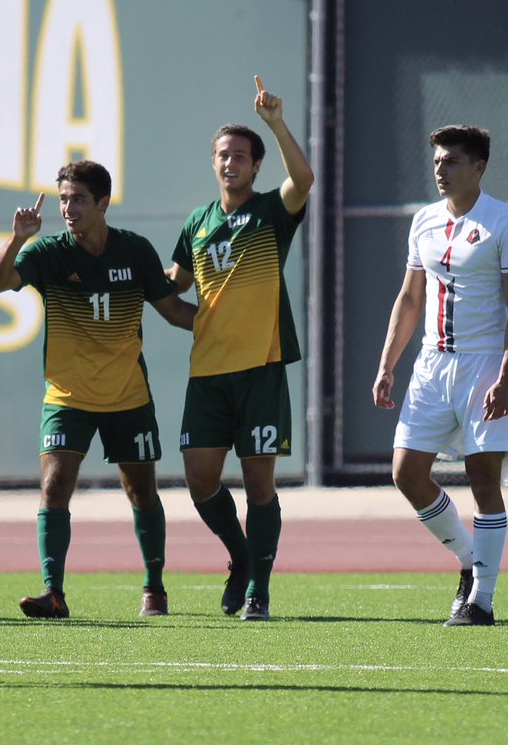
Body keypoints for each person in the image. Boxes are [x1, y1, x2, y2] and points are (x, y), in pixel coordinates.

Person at [0, 161, 196, 619]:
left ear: (103, 203)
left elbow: (175, 311)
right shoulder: (48, 253)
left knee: (141, 492)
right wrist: (19, 237)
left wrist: (230, 326)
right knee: (54, 487)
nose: (67, 208)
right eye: (63, 199)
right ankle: (53, 593)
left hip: (128, 397)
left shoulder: (134, 250)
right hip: (67, 397)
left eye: (78, 199)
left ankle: (154, 588)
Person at [372, 125, 508, 627]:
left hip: (484, 362)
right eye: (438, 161)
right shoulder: (423, 221)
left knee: (483, 477)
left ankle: (482, 602)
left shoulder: (505, 222)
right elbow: (410, 297)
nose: (441, 170)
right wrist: (386, 364)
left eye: (453, 162)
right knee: (406, 472)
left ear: (479, 168)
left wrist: (506, 377)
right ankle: (469, 562)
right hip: (431, 364)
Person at [167, 76, 314, 621]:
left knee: (259, 485)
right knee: (200, 480)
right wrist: (130, 276)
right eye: (223, 156)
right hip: (207, 373)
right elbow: (177, 286)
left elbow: (304, 178)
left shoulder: (272, 212)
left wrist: (276, 123)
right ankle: (241, 557)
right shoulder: (197, 224)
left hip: (261, 369)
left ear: (255, 167)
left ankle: (260, 590)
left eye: (240, 157)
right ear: (214, 164)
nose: (230, 164)